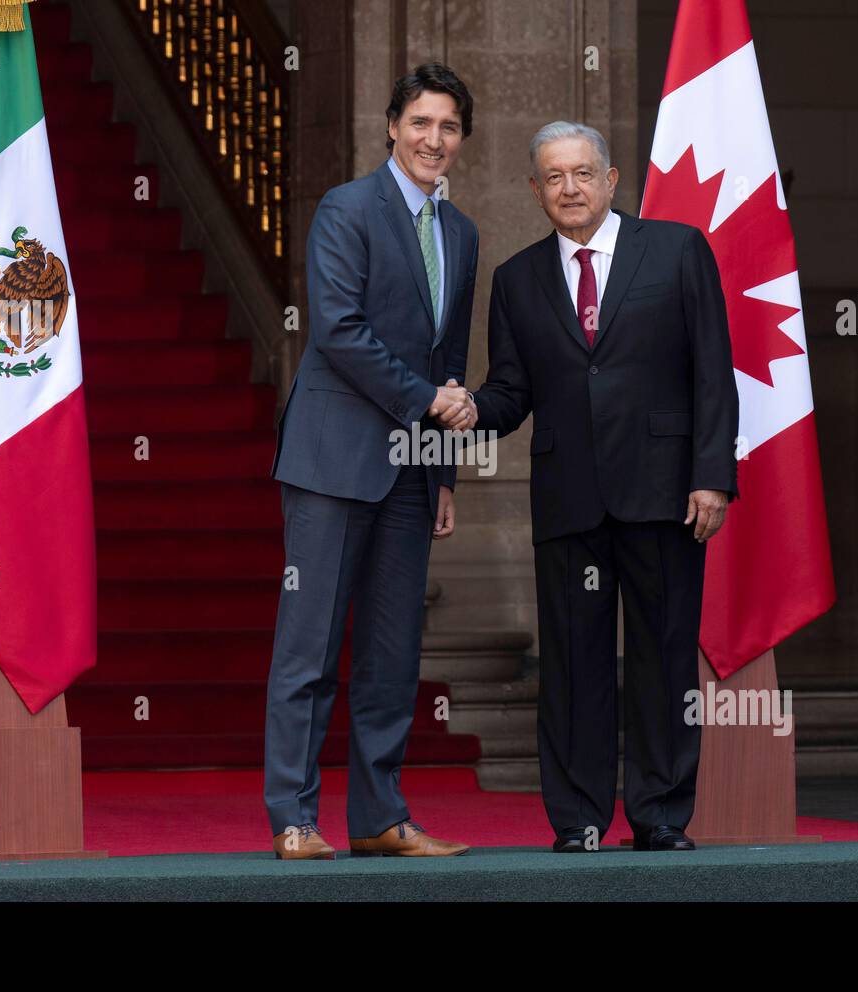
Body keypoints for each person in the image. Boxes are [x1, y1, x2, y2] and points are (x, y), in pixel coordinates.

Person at [440, 121, 738, 852]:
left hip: (665, 493)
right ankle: (577, 819)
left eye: (582, 174)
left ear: (611, 181)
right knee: (573, 667)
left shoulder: (675, 250)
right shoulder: (516, 279)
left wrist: (711, 477)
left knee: (664, 658)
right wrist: (472, 408)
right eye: (553, 176)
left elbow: (712, 370)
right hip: (570, 499)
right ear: (535, 190)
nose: (569, 188)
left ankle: (662, 814)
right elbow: (513, 391)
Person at [264, 63, 478, 859]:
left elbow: (450, 355)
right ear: (392, 126)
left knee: (392, 653)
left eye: (449, 127)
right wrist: (427, 402)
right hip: (333, 461)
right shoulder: (346, 209)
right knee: (310, 646)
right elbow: (339, 332)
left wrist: (444, 466)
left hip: (412, 468)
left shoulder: (461, 231)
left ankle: (379, 817)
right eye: (420, 122)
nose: (433, 139)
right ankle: (293, 817)